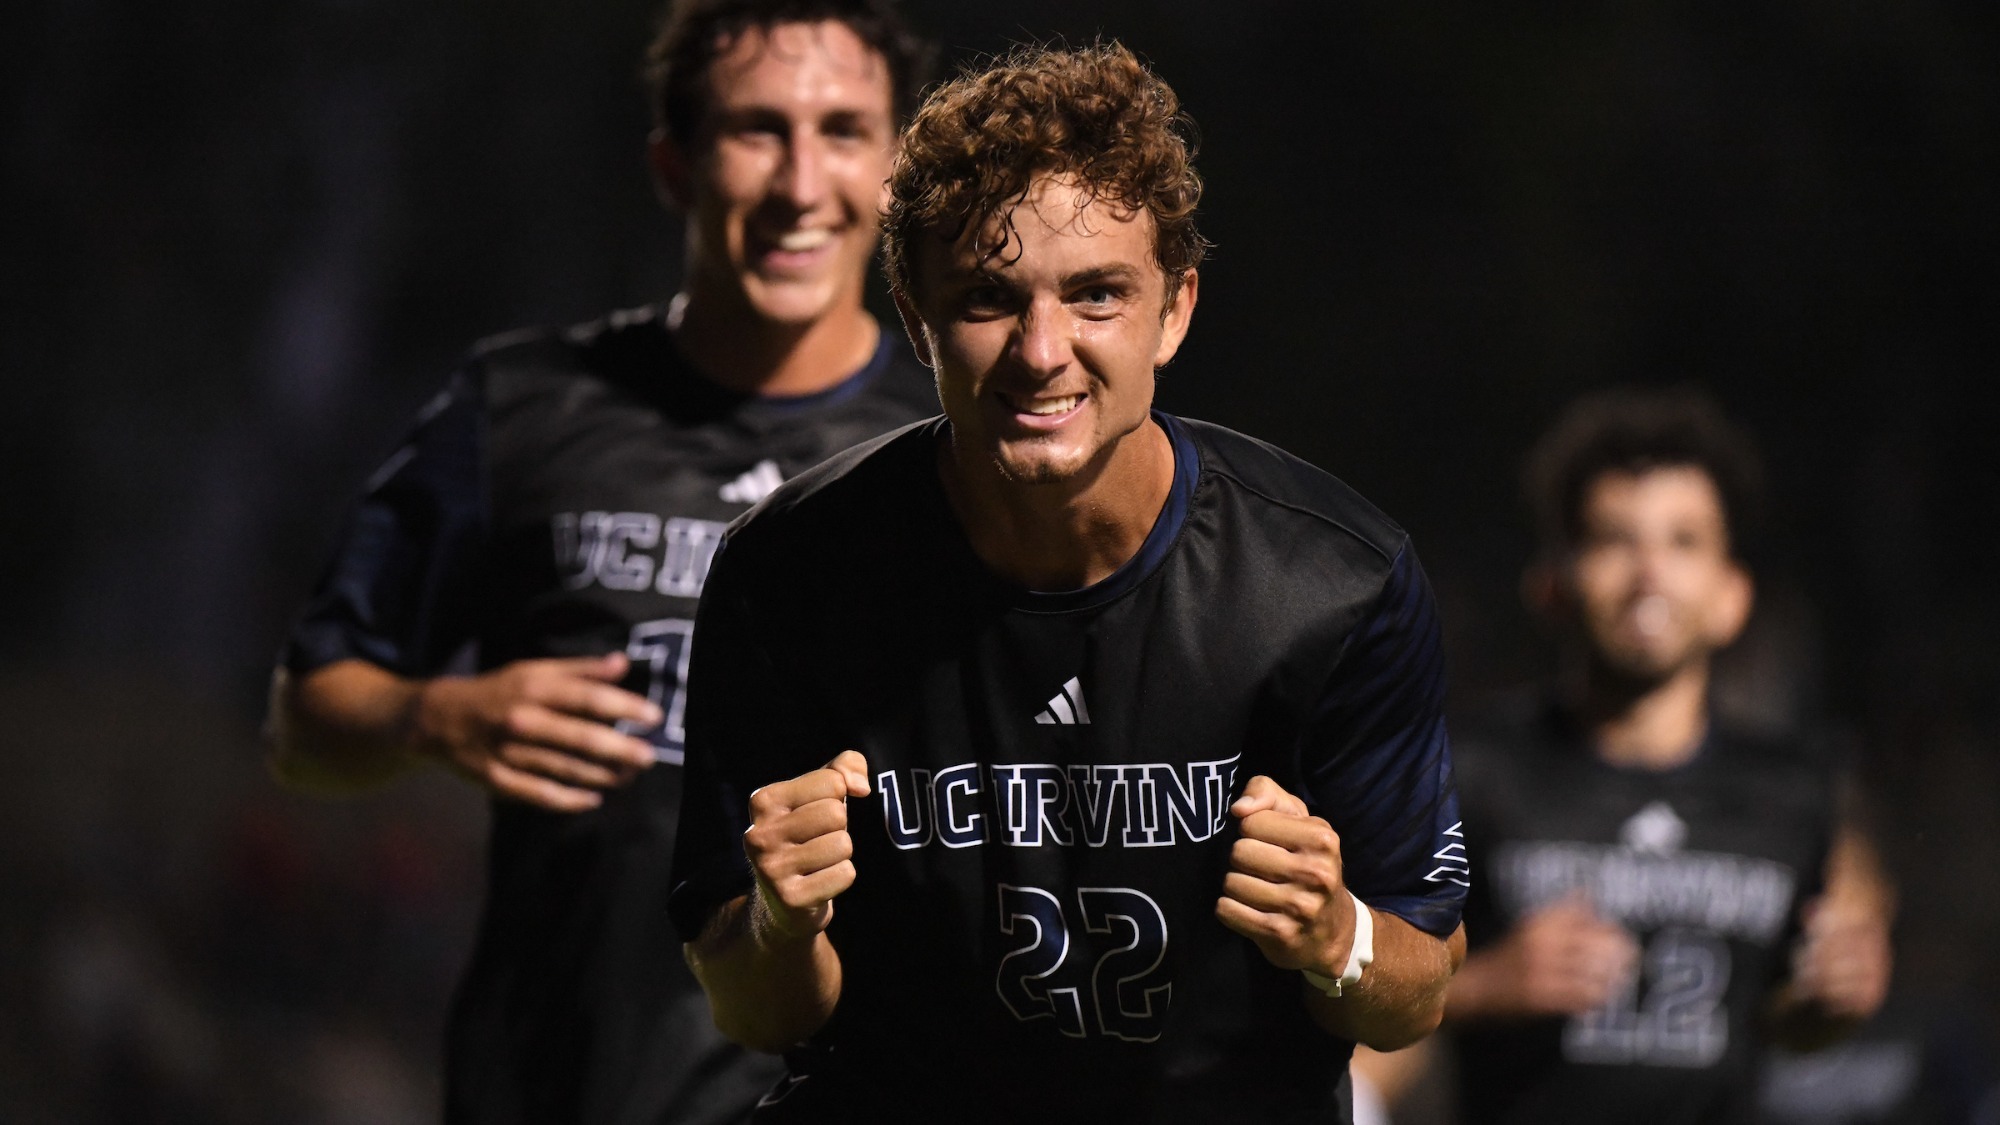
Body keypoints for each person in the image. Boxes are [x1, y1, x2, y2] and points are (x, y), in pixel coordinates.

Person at [667, 42, 1469, 1122]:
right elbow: (759, 1015)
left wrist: (1336, 935)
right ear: (914, 314)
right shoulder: (789, 573)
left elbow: (1412, 997)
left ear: (1173, 311)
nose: (1043, 352)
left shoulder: (1334, 580)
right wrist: (777, 924)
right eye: (989, 299)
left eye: (1096, 295)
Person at [265, 2, 934, 1121]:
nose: (800, 182)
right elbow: (304, 720)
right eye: (755, 130)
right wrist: (437, 715)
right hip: (556, 1087)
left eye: (843, 132)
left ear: (896, 167)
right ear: (674, 165)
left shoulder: (957, 449)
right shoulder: (522, 411)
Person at [1440, 388, 1892, 1124]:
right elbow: (1357, 991)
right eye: (1615, 539)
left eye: (1684, 541)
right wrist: (1487, 984)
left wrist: (1834, 1000)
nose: (1650, 572)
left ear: (1731, 595)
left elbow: (1785, 1021)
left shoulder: (1796, 792)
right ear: (1553, 583)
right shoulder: (1468, 770)